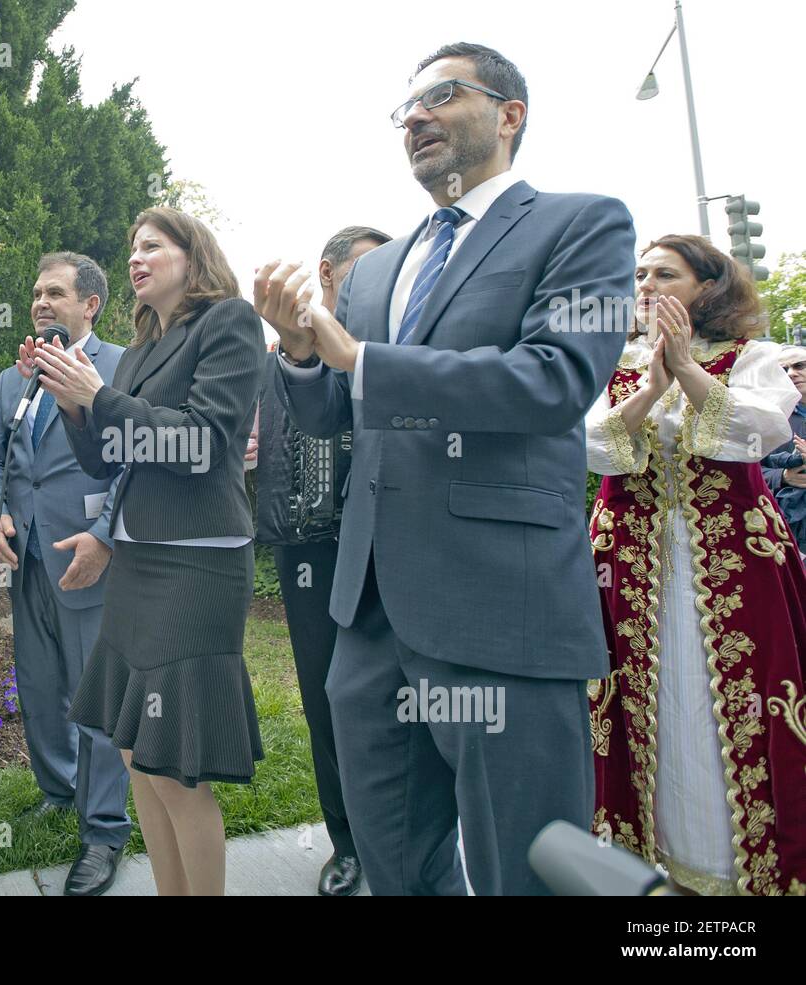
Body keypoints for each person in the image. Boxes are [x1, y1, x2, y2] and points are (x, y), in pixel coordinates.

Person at [255, 42, 635, 895]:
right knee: (397, 864)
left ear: (510, 114)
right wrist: (303, 354)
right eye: (407, 108)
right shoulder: (379, 268)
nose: (416, 116)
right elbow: (339, 418)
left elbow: (557, 379)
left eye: (443, 95)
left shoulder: (584, 224)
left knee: (524, 868)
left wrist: (362, 361)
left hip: (502, 606)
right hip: (373, 618)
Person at [25, 206, 266, 895]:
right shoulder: (138, 349)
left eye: (153, 245)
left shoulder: (229, 323)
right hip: (137, 563)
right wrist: (73, 402)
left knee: (173, 766)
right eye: (132, 247)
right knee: (136, 754)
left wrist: (98, 395)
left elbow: (201, 444)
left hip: (196, 562)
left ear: (194, 256)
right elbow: (109, 459)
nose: (137, 257)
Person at [586, 235, 806, 896]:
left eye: (665, 273)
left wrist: (686, 370)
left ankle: (750, 871)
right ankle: (665, 862)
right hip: (633, 566)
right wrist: (653, 384)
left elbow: (756, 432)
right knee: (652, 708)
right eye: (640, 275)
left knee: (745, 705)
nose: (647, 285)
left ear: (707, 285)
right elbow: (596, 448)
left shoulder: (755, 358)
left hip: (739, 564)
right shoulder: (612, 363)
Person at [0, 252, 131, 896]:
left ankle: (103, 830)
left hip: (89, 556)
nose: (41, 303)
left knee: (94, 695)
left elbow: (135, 462)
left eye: (56, 293)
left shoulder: (124, 366)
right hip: (30, 559)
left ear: (90, 304)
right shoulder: (16, 378)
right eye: (37, 293)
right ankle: (57, 788)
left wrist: (104, 537)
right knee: (39, 685)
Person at [253, 224, 389, 896]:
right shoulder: (285, 352)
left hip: (390, 547)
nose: (378, 282)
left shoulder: (389, 348)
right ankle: (348, 842)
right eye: (364, 270)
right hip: (311, 553)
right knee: (325, 702)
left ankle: (400, 836)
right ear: (328, 273)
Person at [760, 344, 806, 555]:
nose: (791, 374)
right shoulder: (765, 418)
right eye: (783, 370)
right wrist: (782, 476)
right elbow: (747, 468)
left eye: (800, 366)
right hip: (789, 529)